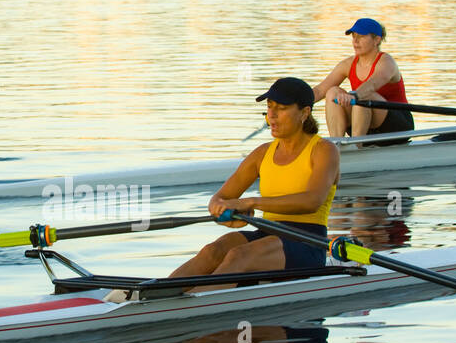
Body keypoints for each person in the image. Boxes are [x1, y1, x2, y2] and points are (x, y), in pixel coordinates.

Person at [149, 77, 340, 296]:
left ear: (305, 113)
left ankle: (188, 307)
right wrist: (224, 211)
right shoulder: (262, 153)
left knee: (238, 255)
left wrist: (251, 202)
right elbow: (218, 199)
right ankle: (153, 296)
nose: (272, 116)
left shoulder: (324, 150)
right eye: (269, 108)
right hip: (267, 235)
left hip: (307, 243)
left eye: (282, 108)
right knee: (214, 250)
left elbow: (311, 201)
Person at [313, 18, 413, 143]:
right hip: (364, 123)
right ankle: (337, 144)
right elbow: (319, 90)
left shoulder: (387, 62)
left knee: (364, 95)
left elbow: (372, 84)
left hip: (398, 125)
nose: (355, 41)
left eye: (361, 36)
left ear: (377, 40)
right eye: (354, 36)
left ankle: (356, 146)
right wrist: (295, 102)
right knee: (332, 92)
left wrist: (354, 95)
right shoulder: (348, 64)